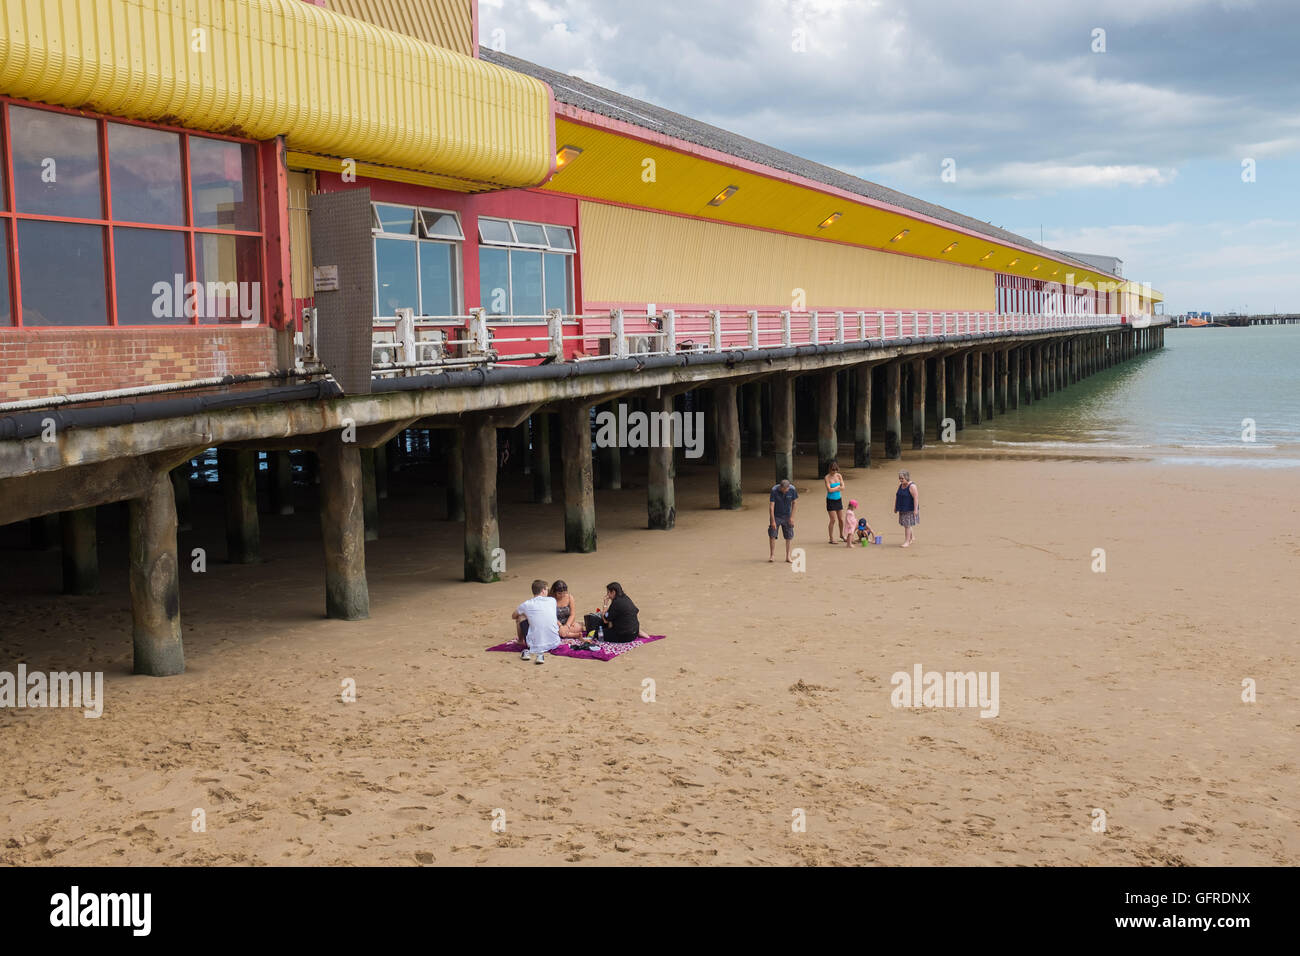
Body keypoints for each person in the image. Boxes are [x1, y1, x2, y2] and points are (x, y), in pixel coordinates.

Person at [511, 579, 561, 663]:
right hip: (554, 642)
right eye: (547, 590)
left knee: (521, 617)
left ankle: (520, 640)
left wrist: (526, 614)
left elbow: (514, 616)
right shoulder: (552, 601)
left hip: (535, 645)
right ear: (543, 591)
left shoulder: (527, 604)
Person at [768, 477, 799, 563]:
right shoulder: (774, 490)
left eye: (787, 489)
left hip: (787, 515)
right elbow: (771, 507)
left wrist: (792, 517)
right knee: (772, 535)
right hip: (776, 515)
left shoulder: (792, 489)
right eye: (784, 490)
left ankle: (788, 556)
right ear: (780, 487)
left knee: (788, 536)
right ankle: (772, 555)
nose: (785, 491)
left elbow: (794, 503)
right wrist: (773, 521)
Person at [894, 470, 920, 547]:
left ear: (906, 477)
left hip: (909, 509)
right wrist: (895, 507)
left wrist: (915, 510)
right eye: (900, 478)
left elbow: (916, 498)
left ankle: (907, 541)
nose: (901, 480)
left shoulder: (912, 486)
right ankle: (912, 537)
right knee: (907, 524)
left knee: (907, 525)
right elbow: (897, 496)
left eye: (902, 478)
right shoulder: (901, 485)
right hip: (902, 508)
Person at [824, 461, 845, 543]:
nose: (834, 471)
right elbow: (829, 489)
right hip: (830, 500)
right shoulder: (827, 477)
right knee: (833, 520)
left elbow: (843, 487)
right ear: (830, 469)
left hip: (838, 499)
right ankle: (831, 538)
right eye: (833, 470)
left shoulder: (839, 476)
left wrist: (836, 488)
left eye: (836, 470)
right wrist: (838, 487)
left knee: (841, 519)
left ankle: (841, 534)